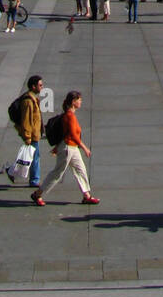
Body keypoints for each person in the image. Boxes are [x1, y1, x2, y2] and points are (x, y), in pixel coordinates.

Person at [40, 90, 100, 204]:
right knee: (58, 173)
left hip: (72, 148)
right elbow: (73, 135)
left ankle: (86, 195)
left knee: (80, 170)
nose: (81, 102)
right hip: (68, 148)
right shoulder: (70, 116)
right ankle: (38, 193)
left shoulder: (69, 115)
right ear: (73, 102)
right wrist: (84, 147)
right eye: (79, 100)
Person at [16, 74, 44, 204]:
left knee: (30, 157)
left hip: (35, 134)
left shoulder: (33, 98)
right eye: (40, 85)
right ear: (33, 86)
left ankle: (14, 172)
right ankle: (34, 180)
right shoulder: (28, 101)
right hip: (32, 135)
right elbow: (26, 120)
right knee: (33, 157)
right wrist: (27, 136)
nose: (42, 87)